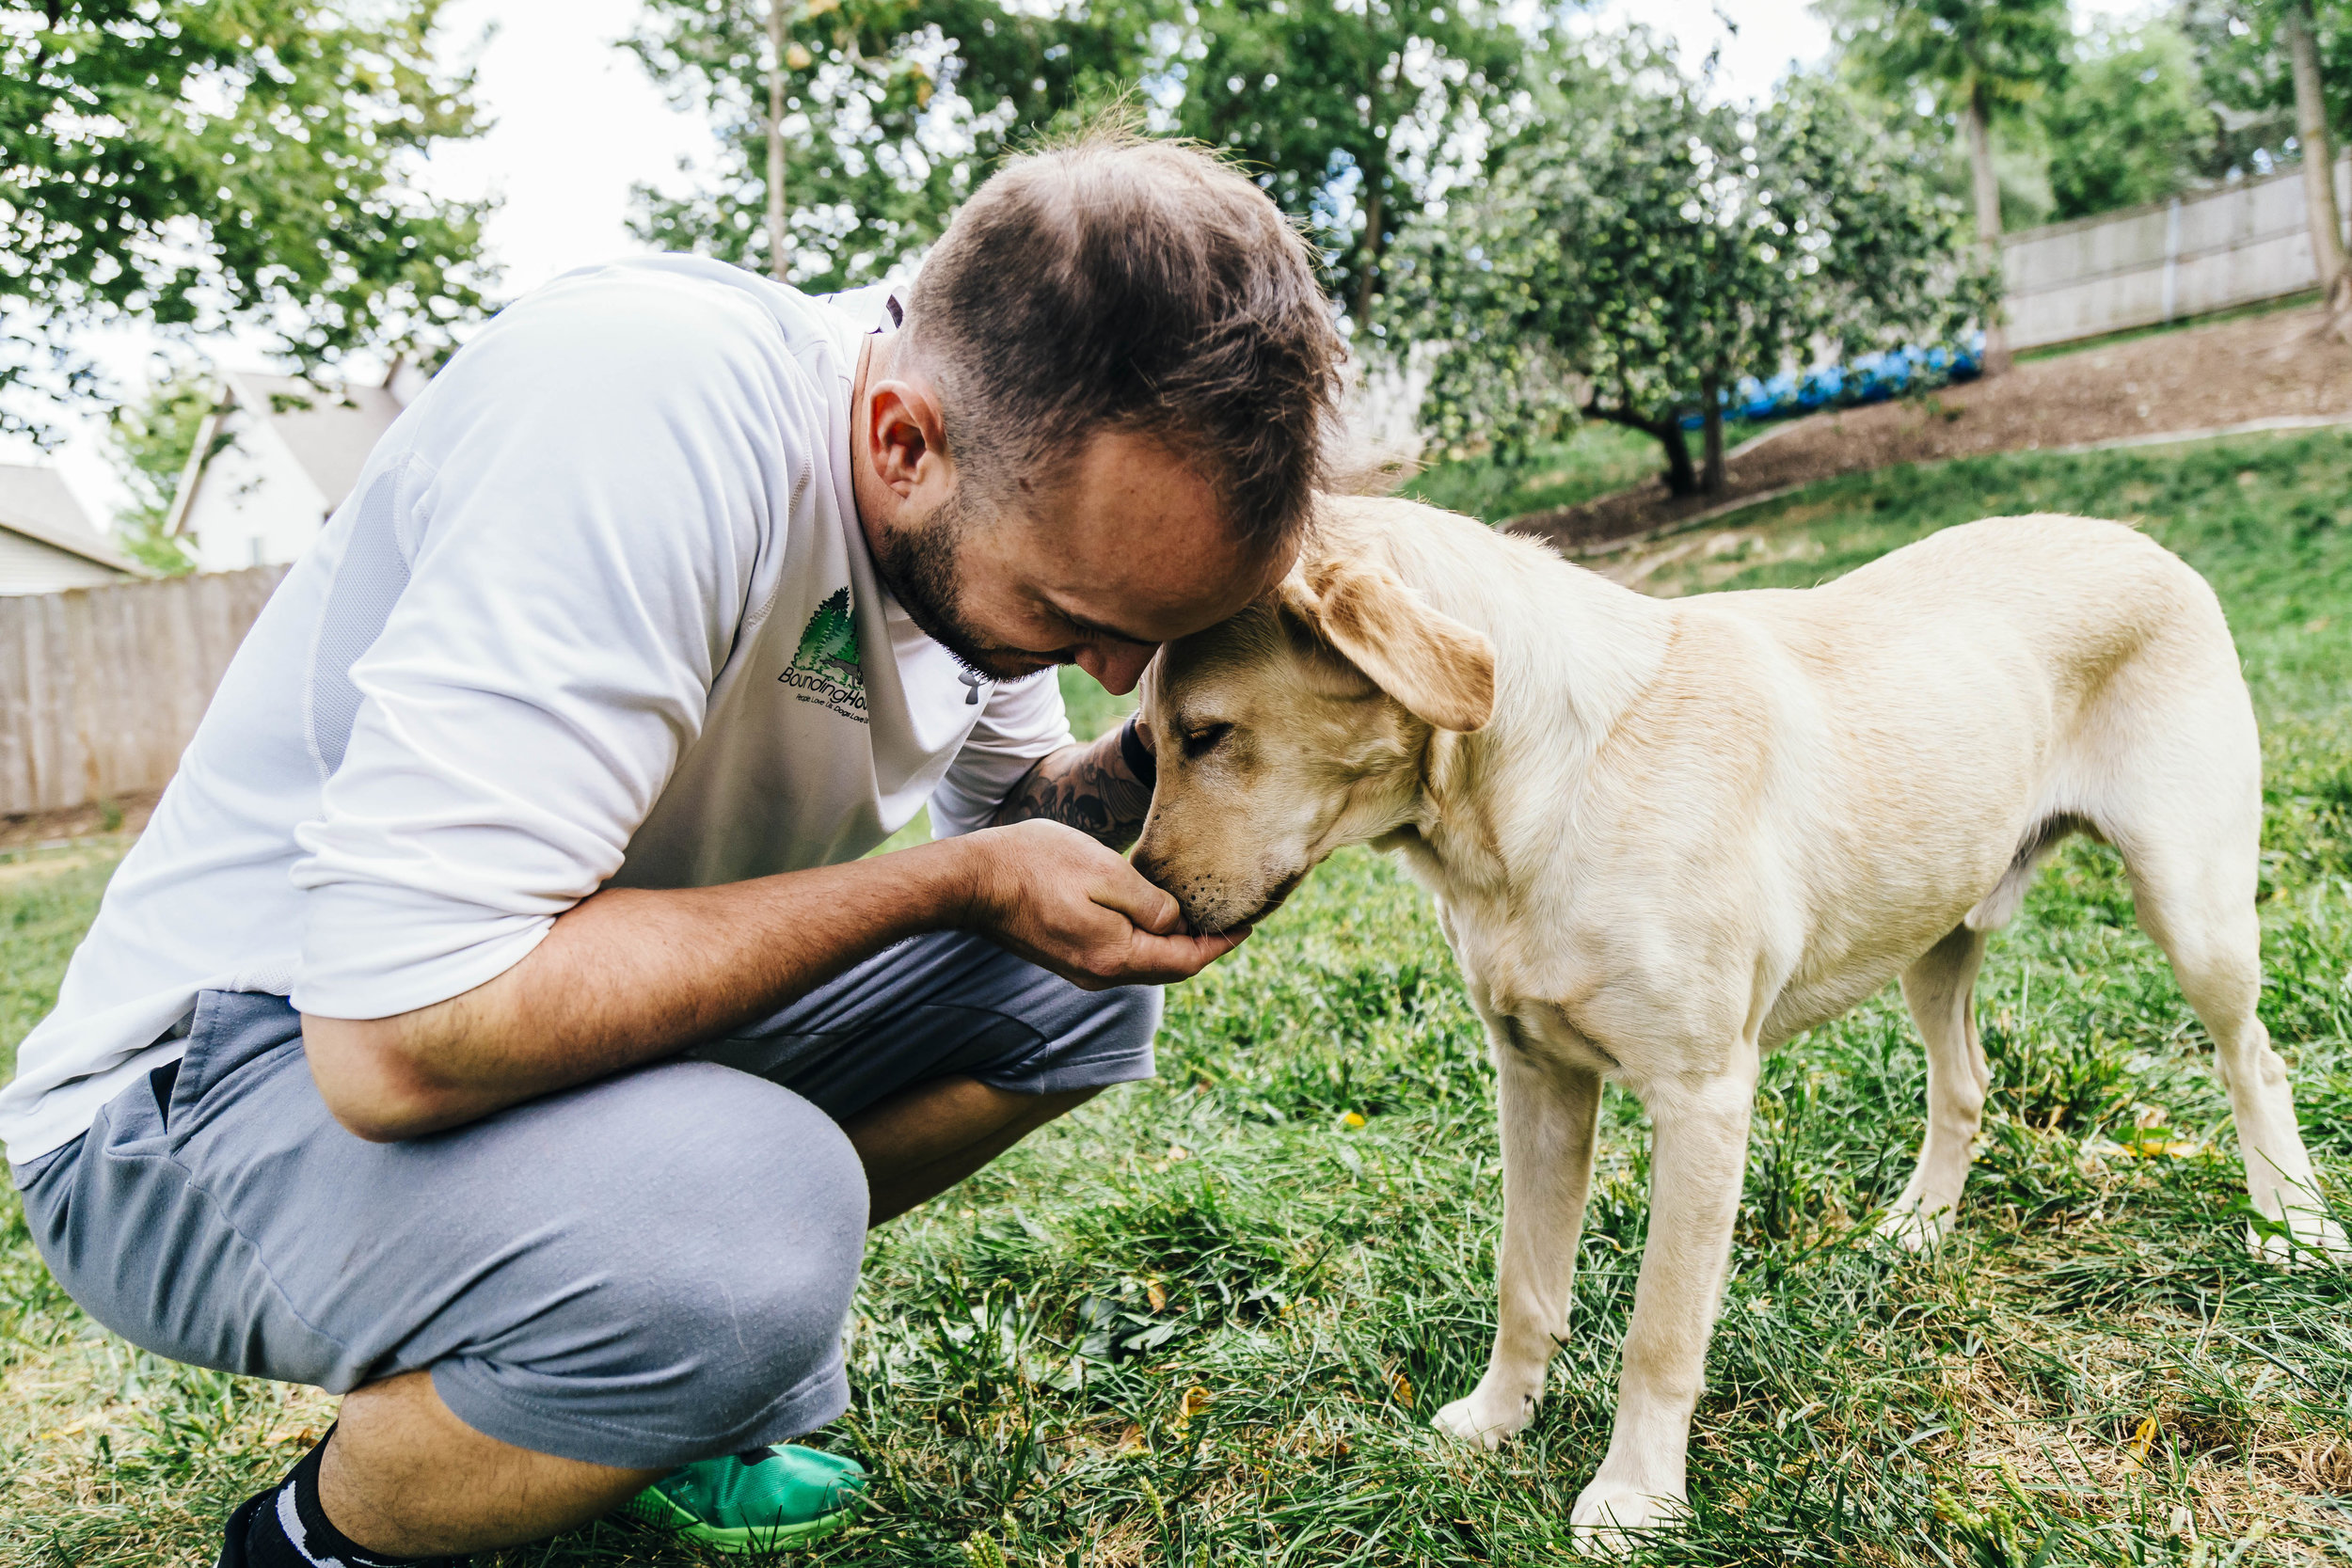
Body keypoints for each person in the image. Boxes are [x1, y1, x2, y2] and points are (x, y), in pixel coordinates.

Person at [0, 129, 1343, 1566]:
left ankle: (613, 1368)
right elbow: (395, 1041)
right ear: (903, 443)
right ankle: (323, 1536)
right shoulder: (637, 416)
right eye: (1077, 612)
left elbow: (1017, 833)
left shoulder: (980, 483)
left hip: (544, 1034)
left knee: (1074, 980)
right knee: (760, 1221)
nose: (1107, 665)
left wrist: (1175, 765)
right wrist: (942, 879)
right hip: (200, 1095)